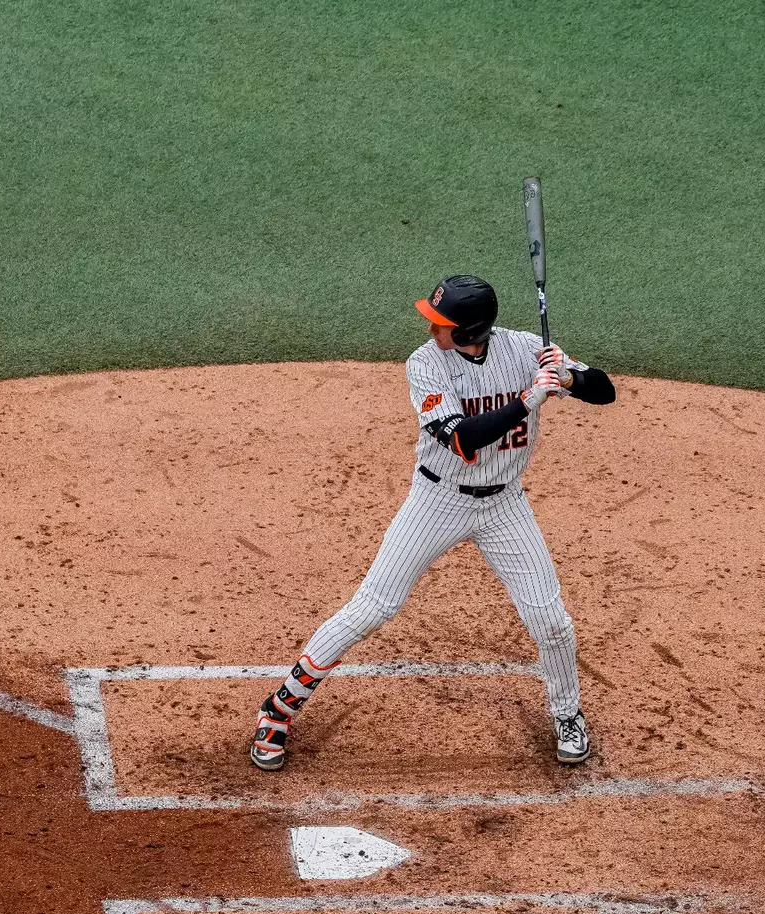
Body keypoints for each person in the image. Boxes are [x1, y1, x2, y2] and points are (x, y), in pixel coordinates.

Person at [249, 275, 616, 772]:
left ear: (472, 329)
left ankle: (567, 713)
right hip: (438, 500)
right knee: (373, 607)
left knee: (550, 622)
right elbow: (463, 441)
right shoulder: (425, 363)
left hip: (505, 505)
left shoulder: (527, 349)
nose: (429, 325)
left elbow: (605, 391)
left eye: (440, 322)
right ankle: (278, 710)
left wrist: (568, 378)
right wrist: (529, 400)